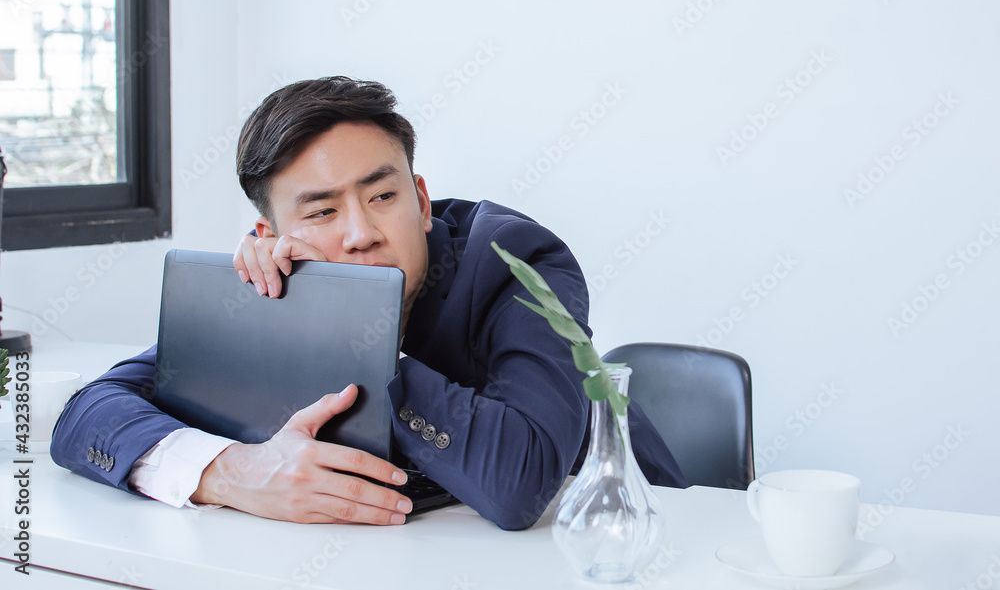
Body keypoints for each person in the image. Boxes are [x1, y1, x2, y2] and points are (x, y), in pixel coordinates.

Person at [50, 77, 685, 531]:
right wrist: (228, 471)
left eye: (382, 197)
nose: (361, 232)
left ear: (422, 199)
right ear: (272, 238)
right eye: (322, 211)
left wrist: (335, 331)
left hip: (644, 535)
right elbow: (85, 418)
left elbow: (520, 484)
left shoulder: (515, 259)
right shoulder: (279, 283)